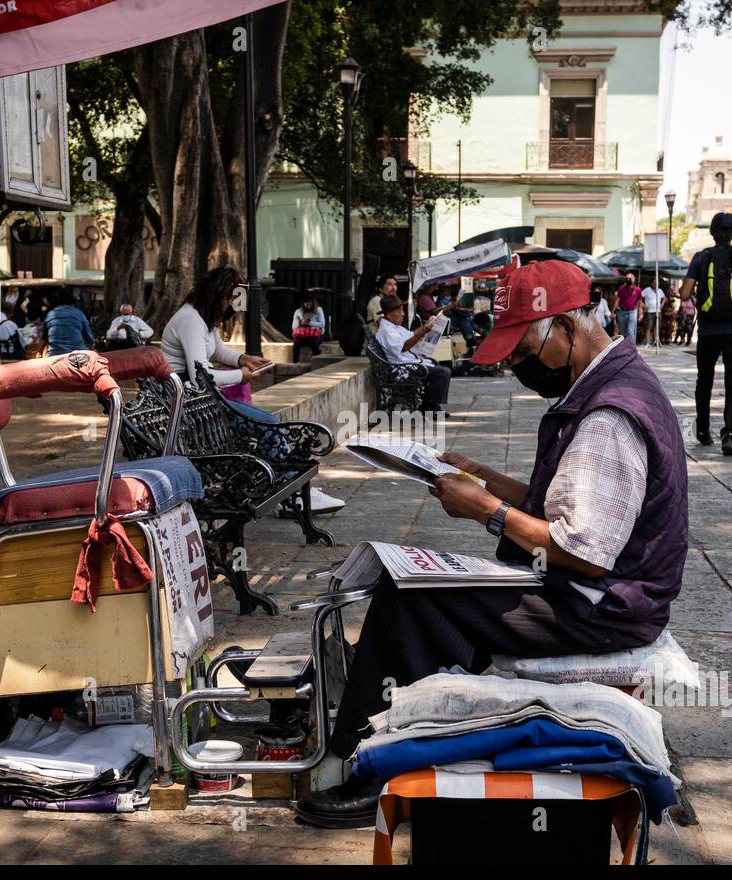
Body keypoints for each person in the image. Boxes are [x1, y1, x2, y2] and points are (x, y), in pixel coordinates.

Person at [295, 259, 688, 828]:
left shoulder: (608, 413)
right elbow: (570, 501)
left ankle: (365, 768)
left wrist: (488, 510)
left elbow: (583, 550)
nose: (519, 368)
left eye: (525, 354)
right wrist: (482, 476)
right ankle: (420, 727)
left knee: (411, 597)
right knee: (433, 594)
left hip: (603, 607)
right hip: (596, 592)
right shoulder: (613, 380)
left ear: (568, 326)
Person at [161, 266, 345, 514]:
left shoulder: (202, 318)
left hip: (203, 402)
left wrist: (243, 359)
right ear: (220, 294)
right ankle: (292, 493)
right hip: (195, 407)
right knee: (269, 424)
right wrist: (242, 376)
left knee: (268, 423)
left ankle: (290, 489)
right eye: (230, 299)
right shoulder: (191, 321)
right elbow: (200, 376)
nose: (230, 307)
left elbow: (216, 351)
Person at [676, 211, 732, 457]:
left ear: (712, 233)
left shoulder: (701, 257)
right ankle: (730, 433)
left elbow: (684, 294)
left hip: (708, 330)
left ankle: (703, 430)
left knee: (704, 379)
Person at [374, 294, 451, 414]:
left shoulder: (393, 327)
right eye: (399, 311)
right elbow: (404, 346)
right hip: (402, 370)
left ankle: (432, 406)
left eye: (402, 311)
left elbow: (410, 335)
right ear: (388, 314)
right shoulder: (386, 331)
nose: (403, 314)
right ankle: (429, 407)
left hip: (408, 364)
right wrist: (423, 330)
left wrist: (427, 326)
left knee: (439, 367)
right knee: (442, 373)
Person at [43, 288, 95, 356]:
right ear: (72, 302)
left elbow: (45, 337)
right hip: (77, 355)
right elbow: (90, 339)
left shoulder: (50, 314)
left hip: (54, 355)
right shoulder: (78, 313)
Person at [291, 294, 326, 363]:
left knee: (312, 341)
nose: (307, 304)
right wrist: (300, 322)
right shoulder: (298, 312)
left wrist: (309, 323)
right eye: (305, 302)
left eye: (309, 302)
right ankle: (295, 363)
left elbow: (322, 324)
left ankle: (319, 361)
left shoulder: (319, 310)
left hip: (316, 335)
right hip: (303, 335)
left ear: (313, 302)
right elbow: (294, 328)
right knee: (296, 342)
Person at [615, 272, 642, 344]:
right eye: (627, 278)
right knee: (622, 332)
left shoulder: (638, 290)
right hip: (622, 311)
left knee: (630, 331)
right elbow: (617, 300)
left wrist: (641, 313)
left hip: (632, 312)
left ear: (634, 279)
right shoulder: (621, 289)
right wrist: (612, 312)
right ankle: (623, 348)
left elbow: (639, 302)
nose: (628, 279)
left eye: (630, 278)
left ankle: (632, 348)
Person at [640, 275, 664, 348]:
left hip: (658, 311)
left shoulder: (660, 290)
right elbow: (639, 297)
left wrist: (661, 305)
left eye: (657, 283)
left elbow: (664, 298)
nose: (656, 284)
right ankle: (647, 342)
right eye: (655, 282)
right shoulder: (647, 290)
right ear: (652, 283)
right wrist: (644, 306)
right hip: (649, 312)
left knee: (657, 327)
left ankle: (656, 341)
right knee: (648, 327)